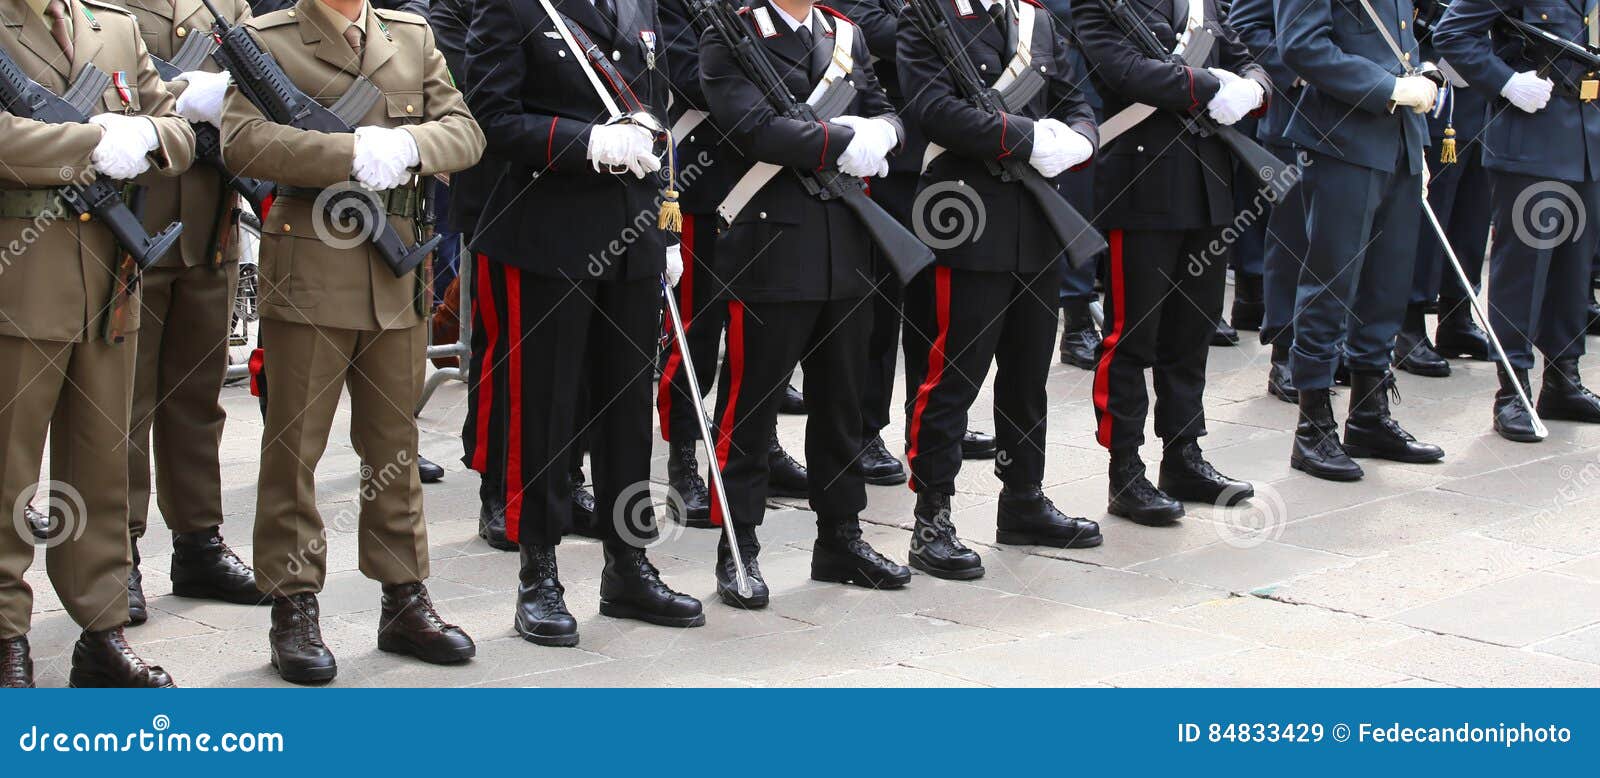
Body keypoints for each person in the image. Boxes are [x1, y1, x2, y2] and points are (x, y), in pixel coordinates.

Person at [220, 0, 483, 682]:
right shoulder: (265, 39)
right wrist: (350, 151)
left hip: (397, 267)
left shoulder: (411, 34)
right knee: (294, 448)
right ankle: (293, 603)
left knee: (393, 446)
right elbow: (242, 142)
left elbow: (465, 132)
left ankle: (404, 598)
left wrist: (410, 148)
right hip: (311, 264)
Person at [463, 0, 706, 645]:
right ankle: (537, 574)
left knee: (627, 409)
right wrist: (586, 142)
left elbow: (656, 118)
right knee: (546, 409)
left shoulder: (640, 5)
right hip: (550, 232)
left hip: (632, 232)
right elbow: (490, 119)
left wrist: (669, 224)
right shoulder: (515, 7)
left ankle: (628, 565)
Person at [0, 0, 196, 687]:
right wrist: (88, 144)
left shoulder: (112, 26)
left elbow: (181, 130)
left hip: (111, 279)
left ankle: (103, 631)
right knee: (8, 474)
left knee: (103, 467)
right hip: (20, 282)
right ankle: (5, 638)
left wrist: (141, 136)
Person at [699, 0, 913, 606]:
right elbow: (754, 129)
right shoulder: (730, 31)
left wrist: (885, 132)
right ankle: (738, 543)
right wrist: (847, 137)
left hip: (846, 240)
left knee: (841, 400)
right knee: (752, 403)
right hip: (771, 241)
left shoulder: (843, 32)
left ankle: (840, 536)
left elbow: (886, 107)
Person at [898, 0, 1104, 576]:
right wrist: (1029, 138)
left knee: (1027, 370)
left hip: (1035, 217)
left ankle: (1022, 498)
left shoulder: (1035, 18)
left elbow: (1074, 98)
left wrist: (1080, 139)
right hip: (962, 212)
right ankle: (931, 514)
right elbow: (936, 110)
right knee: (952, 375)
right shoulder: (928, 16)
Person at [1076, 0, 1263, 523]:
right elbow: (1131, 74)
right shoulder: (1101, 5)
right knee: (1132, 337)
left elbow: (1247, 58)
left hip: (1208, 188)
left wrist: (1251, 86)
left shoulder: (1205, 4)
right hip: (1143, 189)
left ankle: (1183, 454)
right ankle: (1126, 469)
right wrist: (1213, 85)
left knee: (1192, 334)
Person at [120, 0, 263, 629]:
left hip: (208, 223)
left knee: (198, 395)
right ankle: (114, 555)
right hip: (129, 226)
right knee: (121, 402)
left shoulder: (228, 5)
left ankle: (198, 542)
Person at [1277, 0, 1445, 480]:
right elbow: (1302, 45)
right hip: (1342, 138)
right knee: (1330, 283)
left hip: (1398, 139)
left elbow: (1395, 39)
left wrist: (1416, 118)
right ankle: (1313, 426)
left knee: (1387, 284)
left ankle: (1368, 415)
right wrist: (1389, 87)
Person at [1434, 0, 1600, 441]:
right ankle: (1513, 389)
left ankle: (1563, 379)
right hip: (1532, 134)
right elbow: (1451, 34)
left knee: (1574, 269)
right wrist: (1504, 82)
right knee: (1523, 271)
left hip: (1588, 136)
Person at [1393, 6, 1493, 376]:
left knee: (1472, 216)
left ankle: (1457, 315)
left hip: (1484, 96)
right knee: (1428, 221)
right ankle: (1409, 325)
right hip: (1438, 98)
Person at [1228, 0, 1306, 404]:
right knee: (1294, 242)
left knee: (1347, 244)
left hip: (1364, 112)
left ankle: (1329, 348)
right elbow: (1244, 25)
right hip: (1300, 115)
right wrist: (1303, 72)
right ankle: (1286, 351)